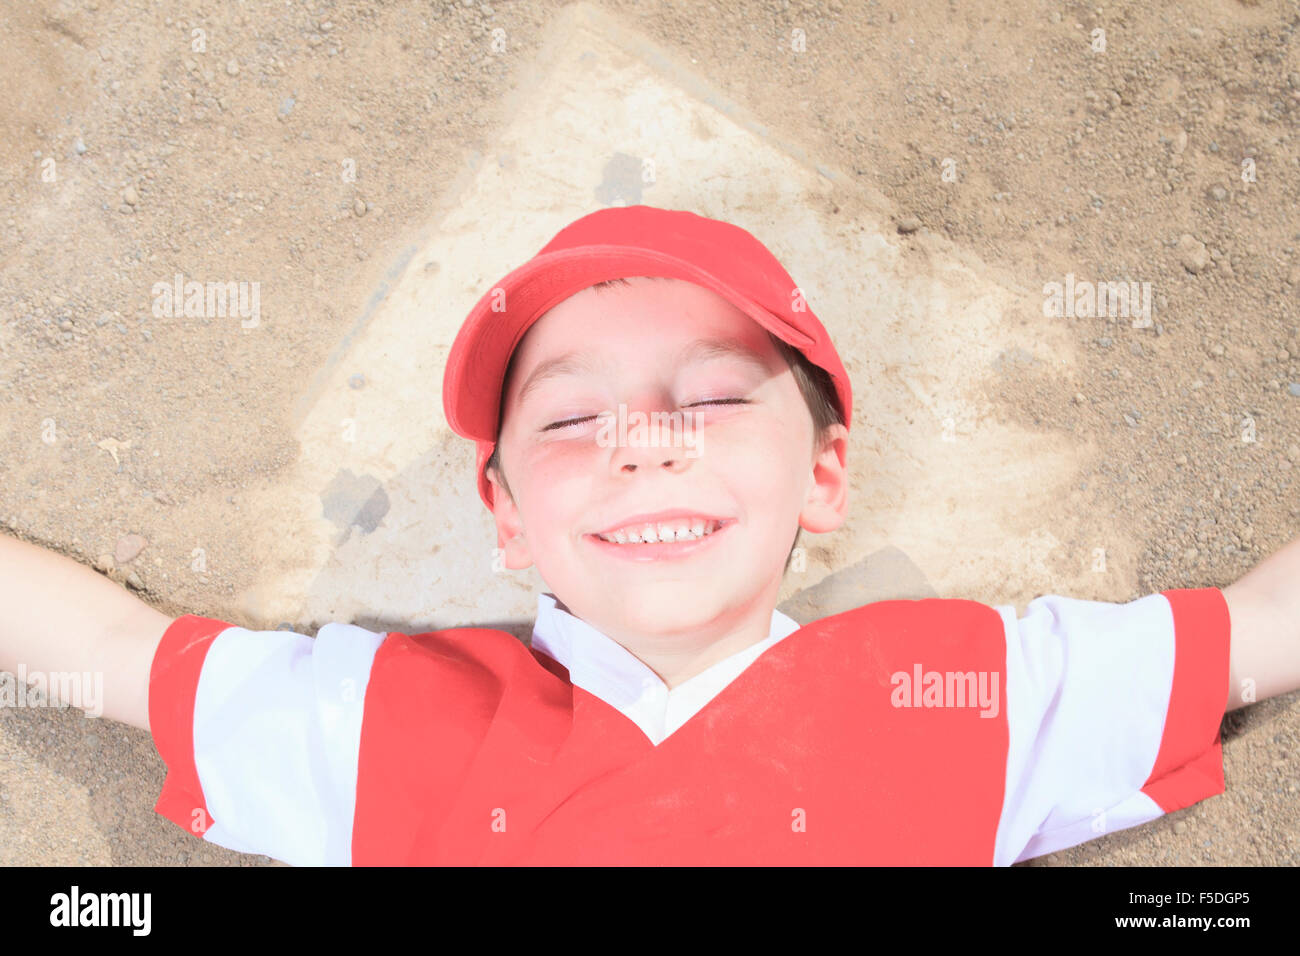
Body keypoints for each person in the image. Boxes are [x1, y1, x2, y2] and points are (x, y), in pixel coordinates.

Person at [2, 205, 1296, 865]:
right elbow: (120, 656)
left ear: (825, 476)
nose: (644, 441)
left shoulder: (953, 694)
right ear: (504, 514)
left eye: (715, 400)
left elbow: (1249, 640)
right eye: (570, 422)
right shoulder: (387, 724)